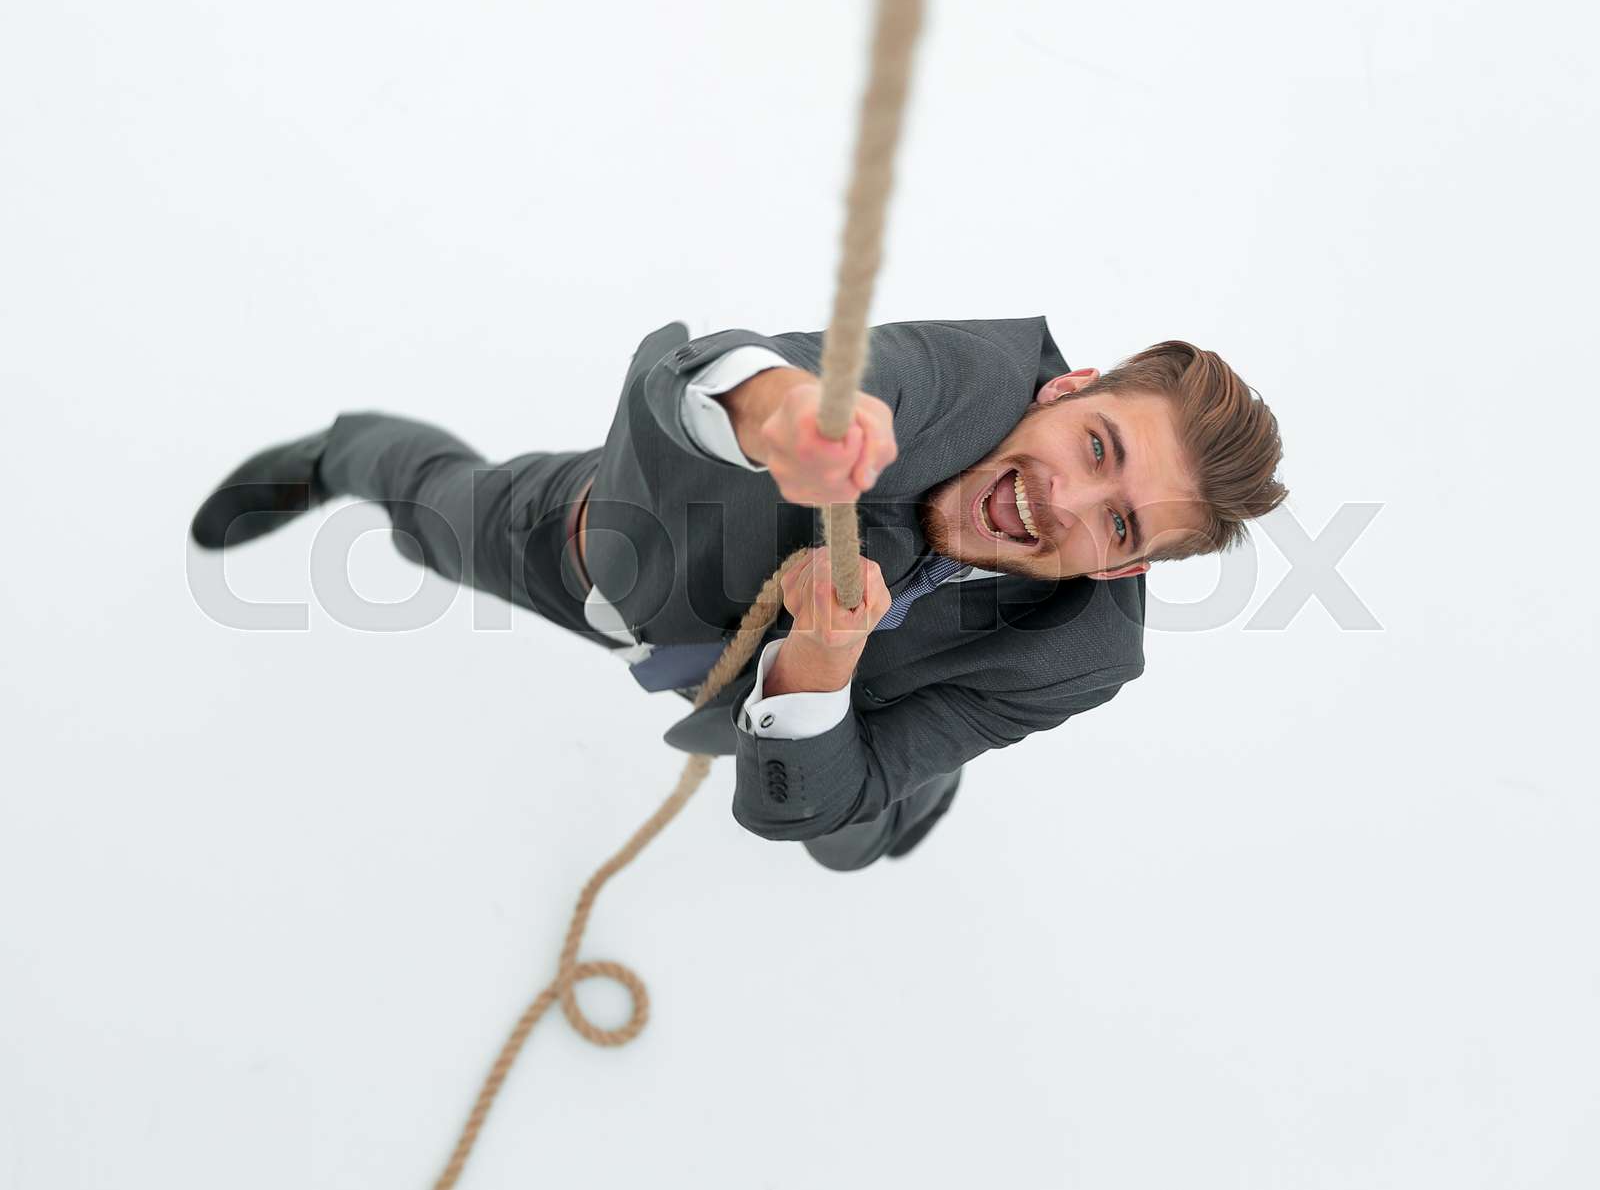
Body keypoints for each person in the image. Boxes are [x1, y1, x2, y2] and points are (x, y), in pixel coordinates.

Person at [189, 317, 1287, 871]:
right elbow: (711, 370)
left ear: (1122, 568)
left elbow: (794, 806)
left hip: (851, 704)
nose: (1063, 498)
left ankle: (920, 776)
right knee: (436, 517)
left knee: (856, 831)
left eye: (1119, 520)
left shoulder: (1079, 656)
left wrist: (821, 666)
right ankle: (337, 454)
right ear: (1066, 388)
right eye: (1095, 445)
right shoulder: (956, 377)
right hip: (596, 555)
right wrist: (777, 414)